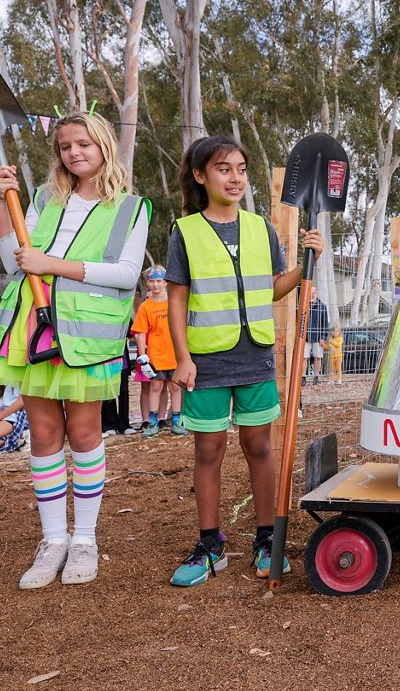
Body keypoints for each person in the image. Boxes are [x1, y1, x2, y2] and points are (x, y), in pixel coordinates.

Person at [0, 110, 151, 589]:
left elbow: (125, 273)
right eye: (64, 146)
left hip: (86, 336)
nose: (73, 153)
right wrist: (1, 202)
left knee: (83, 434)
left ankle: (85, 540)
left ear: (103, 146)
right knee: (43, 434)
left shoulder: (131, 207)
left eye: (83, 144)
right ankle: (53, 539)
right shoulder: (43, 198)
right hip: (34, 330)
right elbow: (14, 262)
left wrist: (52, 264)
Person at [165, 135, 324, 587]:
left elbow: (273, 287)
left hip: (255, 356)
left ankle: (267, 539)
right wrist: (182, 358)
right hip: (207, 361)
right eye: (223, 169)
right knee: (209, 450)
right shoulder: (186, 232)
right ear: (200, 176)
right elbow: (176, 301)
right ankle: (210, 545)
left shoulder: (260, 228)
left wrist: (306, 263)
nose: (234, 177)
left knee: (259, 447)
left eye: (240, 169)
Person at [131, 265, 183, 436]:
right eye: (152, 281)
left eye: (159, 281)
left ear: (165, 282)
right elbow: (140, 332)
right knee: (155, 387)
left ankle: (177, 420)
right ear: (147, 283)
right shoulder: (146, 306)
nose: (155, 285)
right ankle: (152, 421)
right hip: (156, 355)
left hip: (175, 354)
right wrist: (142, 356)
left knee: (175, 388)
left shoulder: (175, 302)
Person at [305, 288, 328, 384]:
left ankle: (316, 377)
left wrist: (323, 337)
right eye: (310, 293)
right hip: (306, 337)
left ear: (317, 293)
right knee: (304, 357)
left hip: (318, 337)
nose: (312, 295)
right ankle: (303, 378)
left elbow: (325, 323)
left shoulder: (322, 306)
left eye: (313, 293)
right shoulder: (304, 305)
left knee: (318, 357)